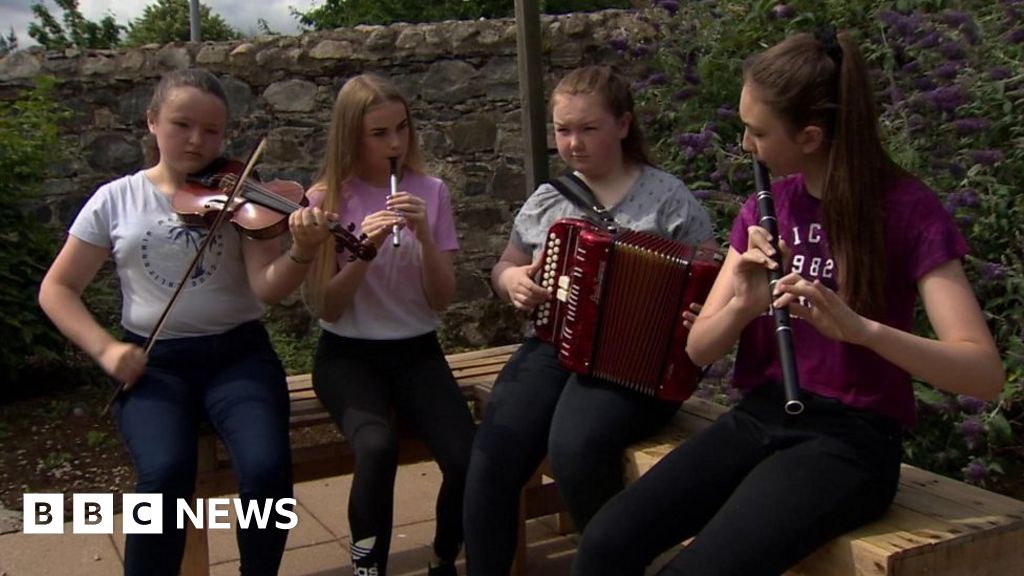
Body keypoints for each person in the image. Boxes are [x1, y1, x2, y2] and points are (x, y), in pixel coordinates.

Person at [571, 30, 1005, 576]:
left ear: (810, 136)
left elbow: (983, 373)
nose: (746, 146)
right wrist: (741, 306)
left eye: (757, 132)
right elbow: (699, 349)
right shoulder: (767, 207)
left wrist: (861, 331)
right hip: (762, 416)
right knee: (605, 541)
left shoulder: (907, 209)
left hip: (851, 441)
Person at [37, 68, 331, 576]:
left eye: (213, 131)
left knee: (266, 471)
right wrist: (107, 351)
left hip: (238, 357)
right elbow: (56, 289)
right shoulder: (115, 199)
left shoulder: (246, 195)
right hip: (156, 363)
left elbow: (267, 289)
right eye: (182, 124)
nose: (198, 140)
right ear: (152, 122)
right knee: (163, 475)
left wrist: (302, 252)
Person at [462, 65, 716, 575]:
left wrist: (697, 308)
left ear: (623, 125)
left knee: (575, 449)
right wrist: (511, 281)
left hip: (640, 364)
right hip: (553, 345)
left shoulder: (669, 198)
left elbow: (712, 277)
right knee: (493, 452)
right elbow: (505, 265)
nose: (573, 143)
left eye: (588, 128)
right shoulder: (549, 199)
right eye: (563, 130)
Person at [301, 73, 476, 576]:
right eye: (379, 134)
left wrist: (424, 237)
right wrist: (363, 253)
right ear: (351, 135)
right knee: (376, 446)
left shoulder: (432, 192)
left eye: (401, 128)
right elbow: (327, 307)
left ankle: (445, 554)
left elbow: (441, 300)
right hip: (348, 354)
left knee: (466, 457)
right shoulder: (325, 200)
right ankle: (368, 567)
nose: (395, 143)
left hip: (416, 348)